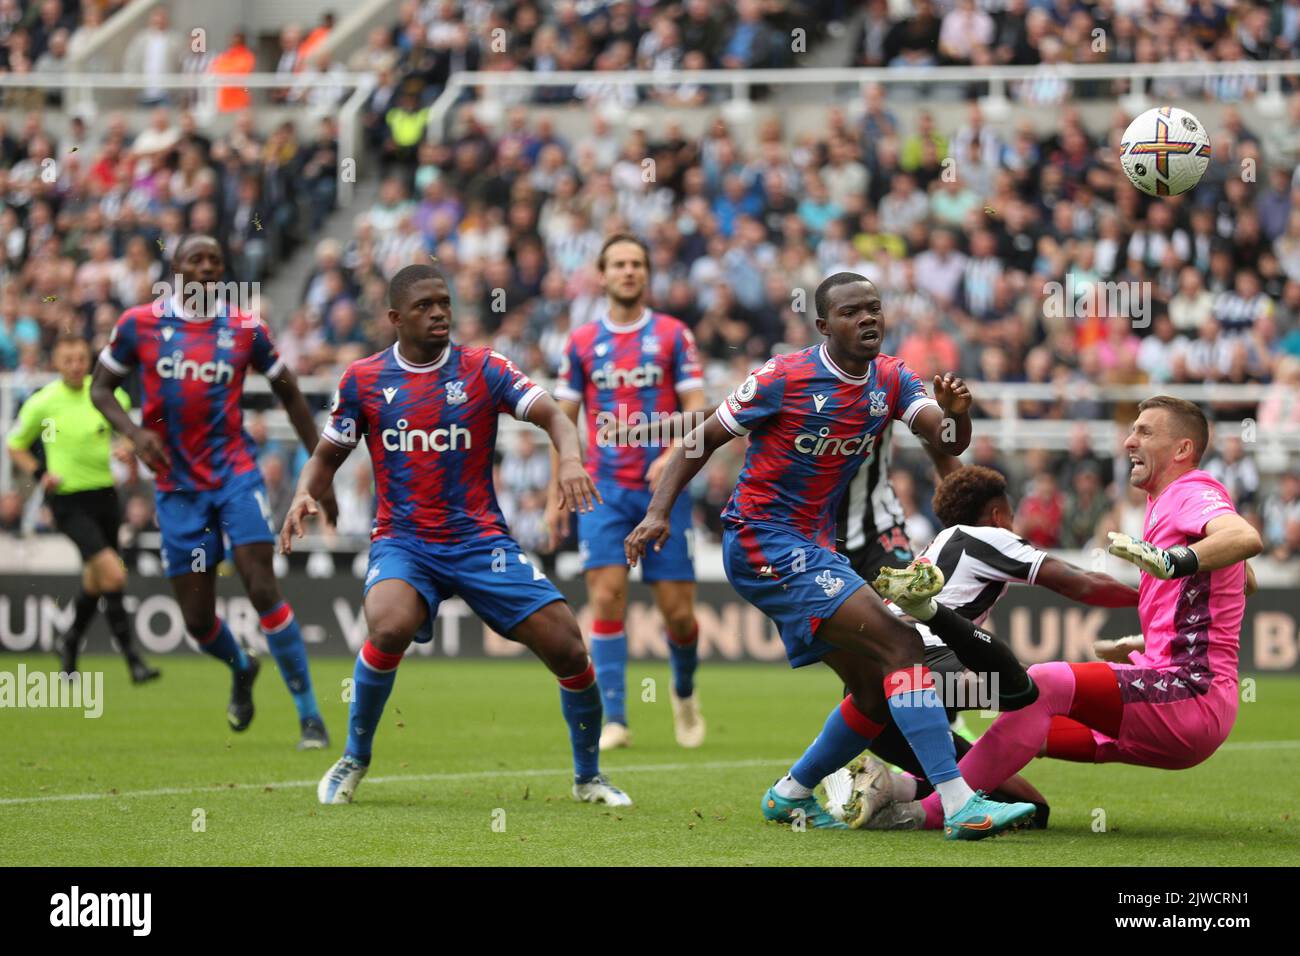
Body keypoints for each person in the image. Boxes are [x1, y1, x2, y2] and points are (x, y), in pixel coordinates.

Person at [626, 273, 1036, 840]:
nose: (868, 319)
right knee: (904, 646)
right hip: (761, 540)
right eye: (851, 313)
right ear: (823, 325)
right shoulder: (783, 376)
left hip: (813, 545)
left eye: (874, 309)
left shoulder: (891, 377)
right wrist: (657, 511)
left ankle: (788, 794)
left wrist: (957, 414)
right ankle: (959, 801)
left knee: (872, 687)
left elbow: (946, 441)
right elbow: (703, 437)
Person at [281, 263, 632, 808]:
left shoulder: (484, 368)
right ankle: (354, 755)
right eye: (424, 306)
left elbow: (557, 419)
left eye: (444, 301)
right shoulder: (364, 379)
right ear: (396, 317)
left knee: (568, 646)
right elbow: (326, 456)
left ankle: (588, 776)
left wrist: (569, 460)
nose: (440, 312)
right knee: (391, 625)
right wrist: (306, 490)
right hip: (404, 541)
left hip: (480, 544)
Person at [868, 397, 1263, 830]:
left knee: (1044, 683)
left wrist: (1174, 563)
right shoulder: (1166, 502)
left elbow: (1244, 537)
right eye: (1133, 430)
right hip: (1177, 698)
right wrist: (1154, 635)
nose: (1130, 440)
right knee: (1028, 718)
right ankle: (901, 789)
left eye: (1145, 432)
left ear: (1182, 449)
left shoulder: (1191, 490)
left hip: (1188, 696)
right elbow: (1244, 578)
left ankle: (931, 814)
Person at [90, 235, 333, 749]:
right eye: (193, 261)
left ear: (225, 271)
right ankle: (241, 667)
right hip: (176, 485)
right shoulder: (140, 324)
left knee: (261, 586)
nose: (204, 269)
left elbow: (289, 390)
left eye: (214, 262)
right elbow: (99, 388)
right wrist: (134, 433)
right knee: (198, 620)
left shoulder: (245, 329)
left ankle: (310, 716)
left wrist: (320, 470)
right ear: (174, 269)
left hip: (235, 474)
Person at [824, 465, 1140, 829]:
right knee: (1025, 692)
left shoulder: (940, 543)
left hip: (872, 693)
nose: (1014, 521)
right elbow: (1082, 583)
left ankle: (886, 787)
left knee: (1027, 806)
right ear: (996, 514)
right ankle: (1039, 739)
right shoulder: (989, 537)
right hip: (924, 667)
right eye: (1011, 512)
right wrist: (1148, 597)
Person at [546, 233, 709, 750]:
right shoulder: (580, 342)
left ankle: (683, 693)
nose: (628, 271)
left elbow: (699, 411)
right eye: (618, 264)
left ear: (647, 274)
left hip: (664, 490)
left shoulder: (672, 335)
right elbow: (561, 422)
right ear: (602, 274)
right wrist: (556, 493)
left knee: (679, 614)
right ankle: (616, 717)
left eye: (637, 263)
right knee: (607, 597)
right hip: (604, 488)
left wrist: (671, 452)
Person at [5, 333, 159, 682]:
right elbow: (14, 445)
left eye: (80, 359)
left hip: (105, 496)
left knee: (95, 579)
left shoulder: (108, 394)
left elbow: (127, 439)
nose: (75, 366)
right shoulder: (43, 402)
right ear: (55, 363)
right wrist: (41, 472)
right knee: (114, 573)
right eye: (67, 360)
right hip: (68, 501)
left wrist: (127, 451)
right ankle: (133, 659)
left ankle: (70, 642)